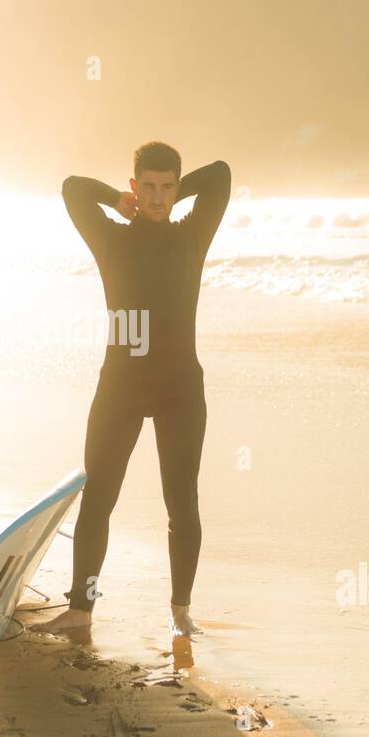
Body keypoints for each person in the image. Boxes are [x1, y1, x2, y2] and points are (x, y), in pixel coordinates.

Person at [47, 141, 230, 637]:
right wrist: (116, 199)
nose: (157, 197)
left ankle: (180, 612)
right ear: (134, 187)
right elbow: (73, 190)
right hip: (121, 386)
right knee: (99, 497)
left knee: (182, 501)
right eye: (147, 187)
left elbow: (219, 175)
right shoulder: (111, 239)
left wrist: (175, 192)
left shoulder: (192, 236)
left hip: (179, 390)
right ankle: (81, 610)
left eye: (167, 187)